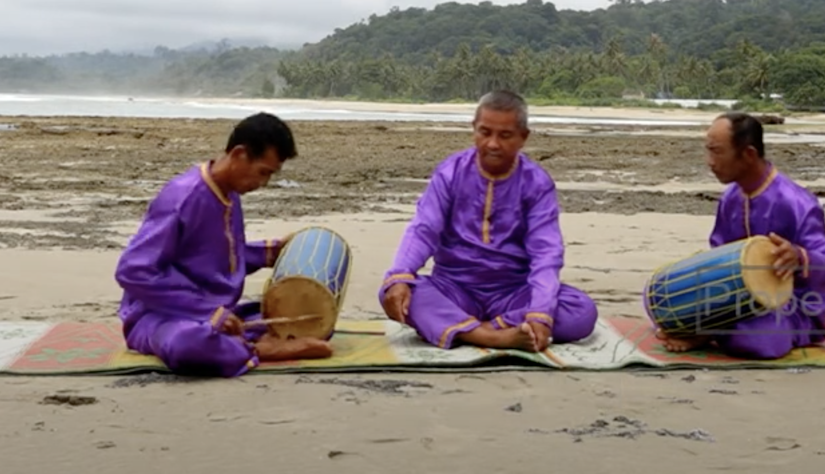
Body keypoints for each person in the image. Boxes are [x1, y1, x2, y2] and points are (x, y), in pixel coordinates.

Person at [378, 90, 599, 352]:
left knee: (581, 311)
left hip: (513, 293)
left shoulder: (536, 184)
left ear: (523, 138)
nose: (493, 144)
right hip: (454, 287)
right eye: (485, 132)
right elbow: (424, 230)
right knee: (394, 290)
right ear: (474, 130)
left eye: (504, 135)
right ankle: (490, 335)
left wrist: (539, 313)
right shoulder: (450, 173)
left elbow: (546, 254)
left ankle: (465, 328)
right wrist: (401, 275)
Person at [114, 112, 332, 377]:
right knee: (188, 345)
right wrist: (206, 312)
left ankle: (245, 341)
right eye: (263, 172)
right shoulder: (183, 197)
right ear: (240, 154)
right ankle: (262, 351)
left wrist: (269, 253)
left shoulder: (228, 193)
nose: (263, 184)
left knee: (305, 319)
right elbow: (133, 270)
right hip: (159, 315)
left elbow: (215, 257)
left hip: (217, 313)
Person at [656, 111, 825, 359]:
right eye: (708, 150)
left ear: (748, 155)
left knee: (758, 339)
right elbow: (719, 255)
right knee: (666, 306)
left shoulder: (797, 202)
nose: (709, 161)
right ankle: (709, 328)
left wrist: (799, 258)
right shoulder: (730, 198)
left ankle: (708, 332)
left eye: (717, 151)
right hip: (735, 299)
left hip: (790, 305)